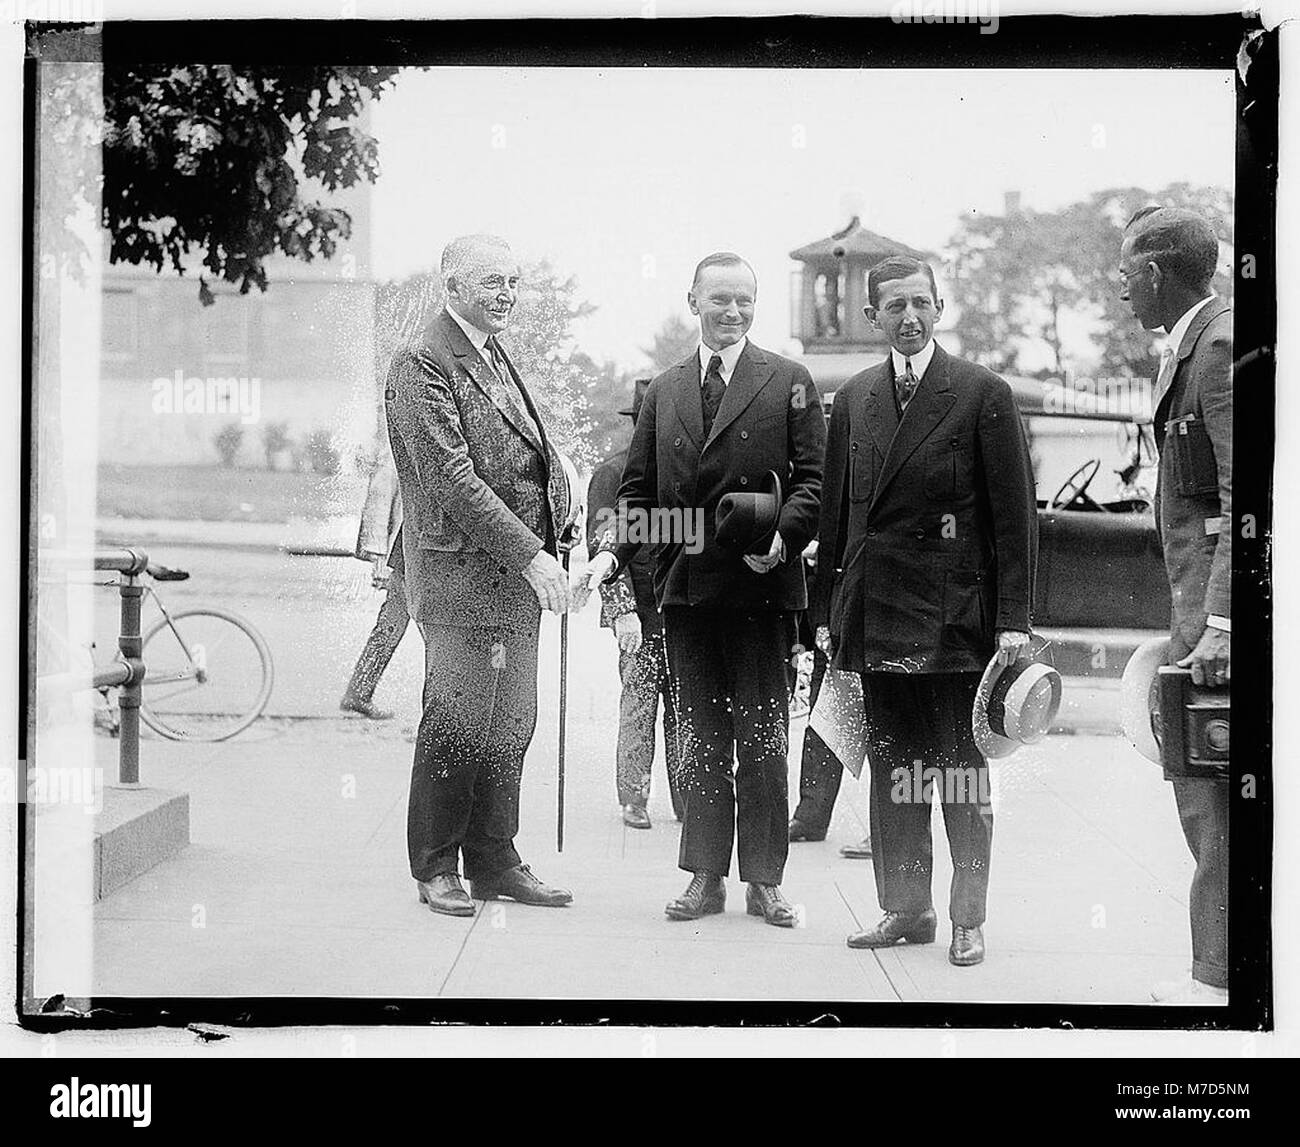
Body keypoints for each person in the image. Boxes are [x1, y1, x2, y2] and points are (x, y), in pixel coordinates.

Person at [578, 252, 825, 927]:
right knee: (701, 739)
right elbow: (638, 493)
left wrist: (786, 536)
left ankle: (766, 882)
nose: (734, 311)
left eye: (745, 299)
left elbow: (814, 480)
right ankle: (705, 876)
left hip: (764, 589)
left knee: (766, 738)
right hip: (687, 593)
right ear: (693, 300)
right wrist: (607, 558)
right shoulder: (664, 388)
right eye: (720, 299)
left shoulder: (790, 381)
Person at [813, 255, 1036, 966]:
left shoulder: (982, 393)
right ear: (872, 317)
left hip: (957, 623)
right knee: (893, 770)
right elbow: (837, 522)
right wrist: (826, 614)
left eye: (921, 304)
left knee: (961, 772)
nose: (909, 318)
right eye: (894, 307)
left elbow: (1013, 519)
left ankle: (968, 917)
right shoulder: (851, 400)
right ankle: (906, 909)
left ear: (940, 307)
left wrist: (1013, 620)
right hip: (877, 616)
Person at [385, 233, 576, 918]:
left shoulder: (490, 352)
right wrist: (533, 553)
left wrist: (563, 502)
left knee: (508, 724)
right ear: (452, 286)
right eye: (493, 282)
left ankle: (495, 858)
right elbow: (452, 480)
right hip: (461, 583)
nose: (508, 296)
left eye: (515, 283)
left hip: (513, 586)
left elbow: (523, 454)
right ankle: (436, 865)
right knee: (458, 722)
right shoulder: (422, 361)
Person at [1118, 206, 1231, 1005]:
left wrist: (1221, 623)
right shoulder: (1199, 341)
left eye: (1126, 272)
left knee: (1210, 789)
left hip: (1219, 622)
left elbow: (1242, 496)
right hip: (1203, 612)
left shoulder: (1217, 347)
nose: (1122, 289)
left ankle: (1217, 977)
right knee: (1209, 786)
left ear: (1155, 272)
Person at [586, 379, 686, 829]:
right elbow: (602, 546)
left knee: (687, 709)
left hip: (684, 611)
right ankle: (634, 797)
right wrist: (621, 609)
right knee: (641, 704)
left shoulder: (687, 472)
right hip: (639, 614)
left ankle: (689, 799)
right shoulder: (613, 474)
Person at [788, 539, 872, 858]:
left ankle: (890, 829)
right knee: (824, 718)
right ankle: (811, 816)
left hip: (887, 605)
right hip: (840, 599)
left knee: (890, 730)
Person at [340, 439, 410, 720]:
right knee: (396, 628)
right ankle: (358, 693)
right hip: (402, 558)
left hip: (413, 556)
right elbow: (379, 506)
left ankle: (359, 692)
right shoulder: (393, 453)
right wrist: (379, 558)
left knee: (391, 627)